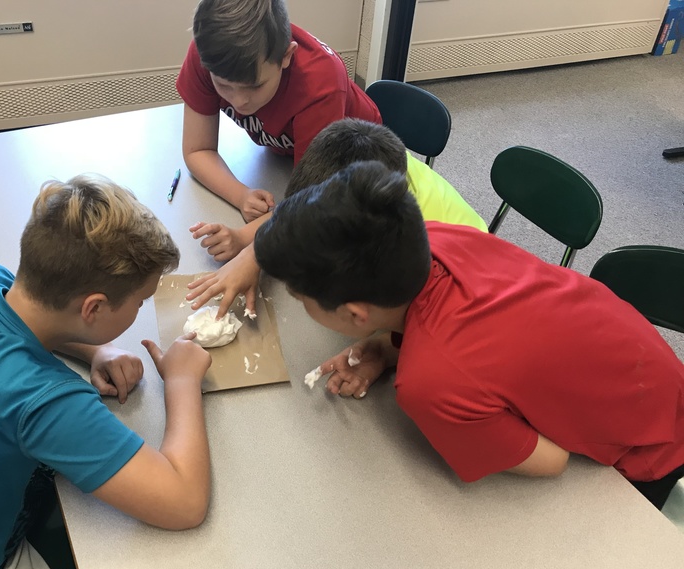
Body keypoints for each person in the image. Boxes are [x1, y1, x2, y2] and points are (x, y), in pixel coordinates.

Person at [253, 160, 684, 510]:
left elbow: (552, 461)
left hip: (654, 446)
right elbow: (480, 332)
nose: (299, 305)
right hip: (650, 363)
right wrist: (389, 349)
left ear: (353, 313)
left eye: (299, 296)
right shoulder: (430, 238)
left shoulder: (430, 385)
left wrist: (452, 384)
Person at [0, 175, 213, 569]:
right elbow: (184, 501)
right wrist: (182, 381)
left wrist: (99, 351)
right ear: (93, 307)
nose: (141, 309)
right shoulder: (46, 401)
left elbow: (31, 307)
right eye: (140, 301)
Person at [185, 118, 486, 321]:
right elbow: (310, 207)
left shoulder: (414, 248)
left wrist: (383, 349)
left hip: (468, 279)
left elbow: (418, 318)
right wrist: (252, 249)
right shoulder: (376, 172)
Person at [177, 0, 381, 224]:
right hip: (286, 152)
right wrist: (241, 195)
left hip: (356, 156)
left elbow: (308, 205)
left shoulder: (320, 86)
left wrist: (243, 239)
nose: (239, 101)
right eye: (224, 86)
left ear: (286, 56)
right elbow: (198, 150)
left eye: (255, 86)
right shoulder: (210, 55)